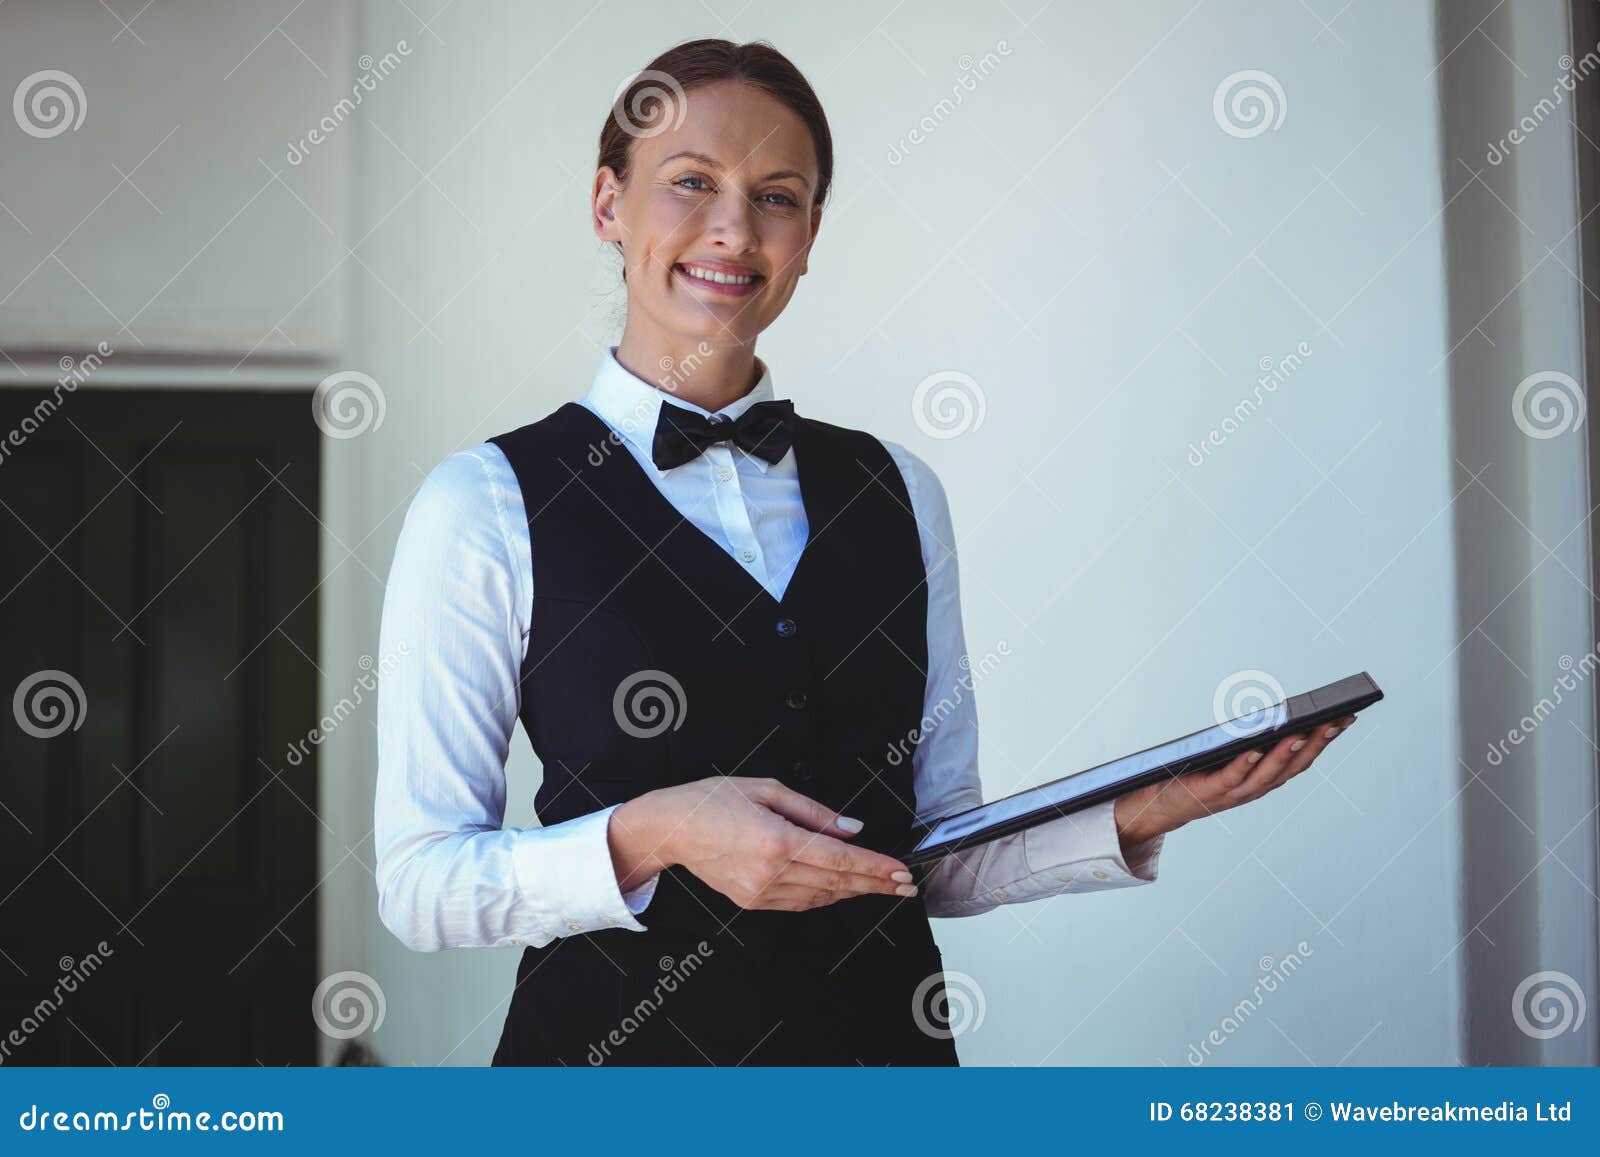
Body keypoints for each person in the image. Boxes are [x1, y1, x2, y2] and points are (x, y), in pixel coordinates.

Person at [373, 37, 1355, 1067]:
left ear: (808, 235)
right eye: (691, 183)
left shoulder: (899, 491)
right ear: (608, 206)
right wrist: (653, 830)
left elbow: (930, 851)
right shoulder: (484, 501)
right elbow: (421, 883)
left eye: (777, 196)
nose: (733, 229)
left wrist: (1143, 808)